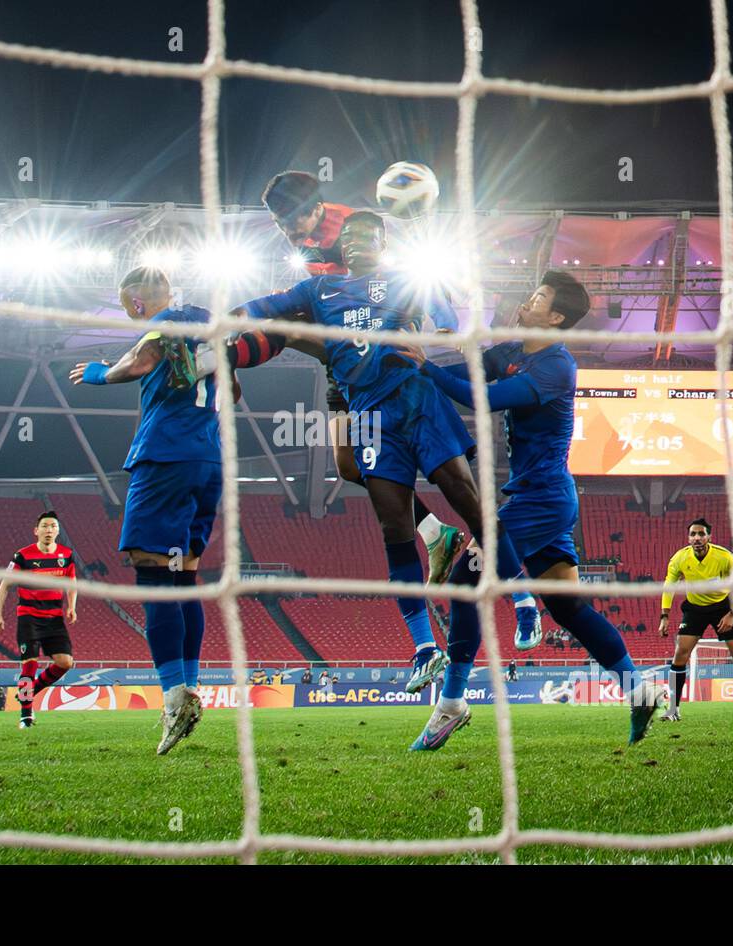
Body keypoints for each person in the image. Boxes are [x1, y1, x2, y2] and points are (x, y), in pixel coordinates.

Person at [220, 212, 533, 751]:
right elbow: (265, 311)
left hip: (417, 400)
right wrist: (223, 324)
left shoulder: (404, 281)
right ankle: (422, 647)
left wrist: (442, 327)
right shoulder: (319, 287)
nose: (357, 243)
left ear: (385, 243)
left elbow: (442, 310)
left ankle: (523, 592)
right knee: (391, 524)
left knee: (467, 497)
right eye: (350, 238)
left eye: (368, 236)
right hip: (367, 413)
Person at [406, 273, 661, 744]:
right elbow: (470, 374)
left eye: (540, 298)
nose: (529, 300)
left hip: (541, 498)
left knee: (464, 582)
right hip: (540, 496)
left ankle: (452, 703)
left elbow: (483, 399)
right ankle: (638, 689)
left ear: (557, 317)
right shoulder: (513, 351)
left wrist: (426, 370)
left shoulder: (556, 367)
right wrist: (438, 356)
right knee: (568, 608)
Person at [259, 171, 474, 588]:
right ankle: (436, 534)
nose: (284, 230)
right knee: (347, 465)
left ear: (315, 210)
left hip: (380, 362)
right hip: (344, 362)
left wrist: (444, 320)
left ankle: (472, 546)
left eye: (288, 221)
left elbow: (415, 277)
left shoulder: (350, 227)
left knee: (393, 467)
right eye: (277, 222)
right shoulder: (312, 249)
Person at [69, 266, 222, 756]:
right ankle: (190, 689)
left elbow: (137, 362)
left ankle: (174, 697)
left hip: (164, 459)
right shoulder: (213, 330)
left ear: (136, 302)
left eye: (124, 305)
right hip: (208, 459)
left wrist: (98, 373)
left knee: (152, 572)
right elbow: (233, 394)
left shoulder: (163, 326)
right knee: (184, 575)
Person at [659, 518, 733, 722]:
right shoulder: (680, 558)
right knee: (680, 655)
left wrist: (731, 614)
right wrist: (664, 615)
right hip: (694, 609)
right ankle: (673, 710)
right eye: (693, 534)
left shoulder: (724, 557)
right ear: (688, 538)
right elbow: (669, 584)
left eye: (701, 534)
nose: (697, 538)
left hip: (723, 607)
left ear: (709, 537)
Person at [0, 510, 77, 730]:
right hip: (29, 617)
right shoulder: (23, 556)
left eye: (53, 526)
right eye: (45, 526)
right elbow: (5, 585)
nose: (49, 530)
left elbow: (72, 583)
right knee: (30, 664)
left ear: (58, 531)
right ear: (36, 531)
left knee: (65, 662)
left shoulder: (66, 555)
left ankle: (28, 692)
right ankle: (25, 716)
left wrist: (72, 606)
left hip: (54, 618)